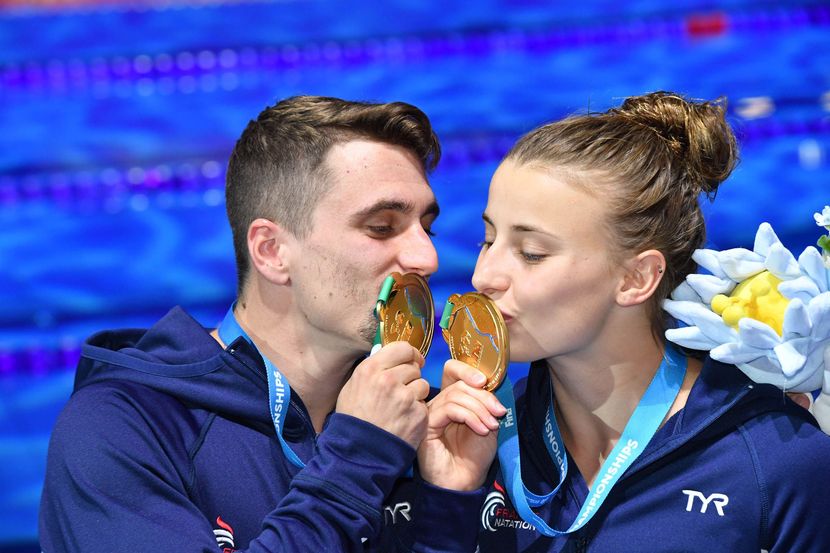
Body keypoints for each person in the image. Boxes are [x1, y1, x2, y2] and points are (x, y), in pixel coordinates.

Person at [38, 95, 503, 552]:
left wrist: (445, 510)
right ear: (271, 251)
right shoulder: (124, 427)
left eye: (427, 228)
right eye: (381, 227)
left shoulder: (424, 430)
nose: (428, 258)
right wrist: (356, 458)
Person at [441, 91, 830, 551]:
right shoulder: (473, 440)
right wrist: (446, 498)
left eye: (531, 254)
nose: (482, 276)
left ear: (636, 278)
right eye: (488, 240)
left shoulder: (775, 460)